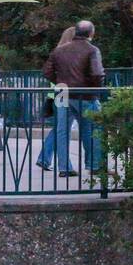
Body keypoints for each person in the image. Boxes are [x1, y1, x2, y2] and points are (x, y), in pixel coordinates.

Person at [37, 20, 106, 177]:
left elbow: (47, 72)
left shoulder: (59, 51)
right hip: (84, 93)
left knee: (62, 131)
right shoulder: (92, 50)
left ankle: (64, 168)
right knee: (92, 129)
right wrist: (95, 88)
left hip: (62, 92)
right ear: (91, 33)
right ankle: (94, 164)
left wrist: (61, 81)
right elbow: (97, 74)